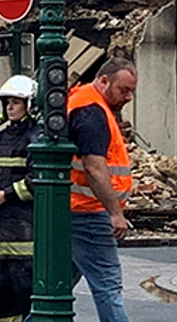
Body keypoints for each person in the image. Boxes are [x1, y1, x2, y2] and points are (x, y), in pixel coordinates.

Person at [67, 57, 137, 322]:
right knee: (108, 285)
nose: (129, 97)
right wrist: (115, 213)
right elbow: (95, 169)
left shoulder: (83, 101)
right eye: (124, 90)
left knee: (58, 284)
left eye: (132, 91)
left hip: (75, 209)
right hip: (89, 212)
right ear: (104, 81)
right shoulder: (92, 112)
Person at [0, 75, 39, 322]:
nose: (10, 107)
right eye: (8, 103)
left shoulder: (36, 139)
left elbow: (37, 181)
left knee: (26, 299)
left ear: (30, 105)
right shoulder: (0, 138)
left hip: (24, 237)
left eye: (16, 102)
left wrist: (6, 194)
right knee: (2, 305)